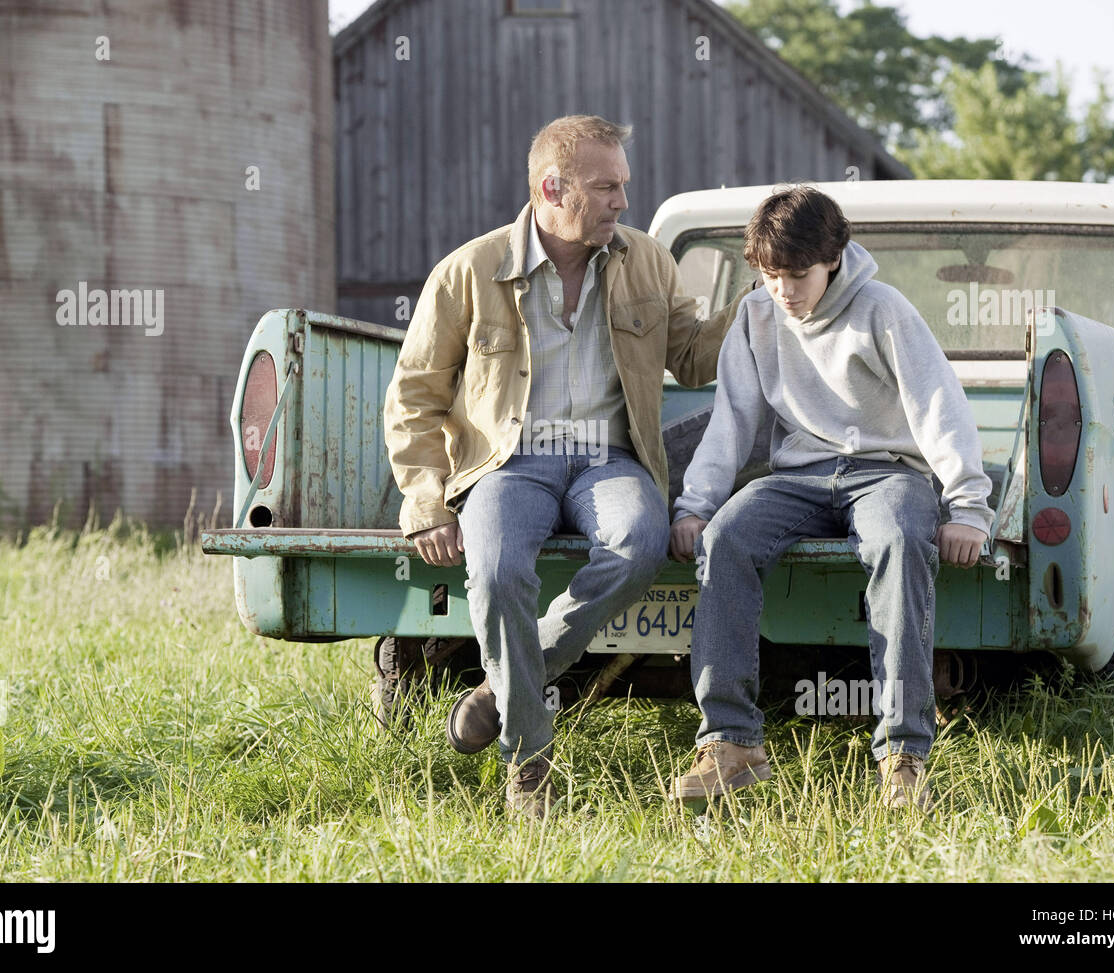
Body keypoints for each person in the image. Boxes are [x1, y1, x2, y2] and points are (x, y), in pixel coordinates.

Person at [383, 115, 744, 818]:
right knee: (493, 570)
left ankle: (502, 686)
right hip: (507, 464)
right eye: (607, 187)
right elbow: (414, 396)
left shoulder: (646, 261)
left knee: (639, 541)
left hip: (609, 458)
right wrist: (426, 499)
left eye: (624, 186)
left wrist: (764, 292)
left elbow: (695, 355)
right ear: (553, 187)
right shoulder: (469, 270)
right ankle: (528, 762)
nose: (622, 202)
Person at [667, 185, 993, 810]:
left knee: (898, 540)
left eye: (797, 275)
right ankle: (731, 744)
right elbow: (732, 420)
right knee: (725, 538)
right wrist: (695, 505)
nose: (784, 291)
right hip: (800, 475)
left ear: (834, 256)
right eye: (769, 276)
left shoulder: (882, 309)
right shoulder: (756, 316)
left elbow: (936, 409)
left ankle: (903, 755)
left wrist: (968, 508)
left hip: (888, 472)